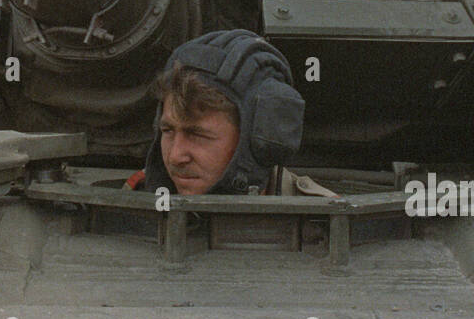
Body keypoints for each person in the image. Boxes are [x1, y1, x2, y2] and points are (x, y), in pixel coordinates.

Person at [124, 29, 334, 197]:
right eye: (168, 130)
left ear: (260, 138)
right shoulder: (130, 208)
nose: (175, 156)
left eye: (197, 135)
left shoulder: (321, 223)